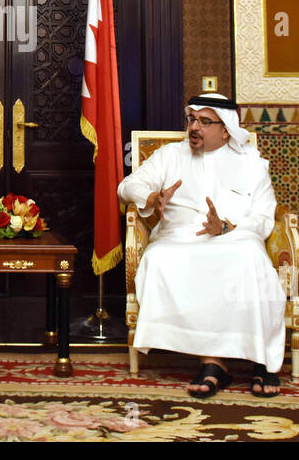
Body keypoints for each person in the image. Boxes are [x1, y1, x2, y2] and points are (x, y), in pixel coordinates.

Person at [117, 93, 285, 398]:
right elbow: (127, 186)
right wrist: (153, 198)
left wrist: (226, 227)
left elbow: (264, 215)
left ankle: (262, 361)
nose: (195, 127)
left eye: (205, 121)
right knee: (158, 259)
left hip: (235, 239)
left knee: (250, 258)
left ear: (226, 129)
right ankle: (212, 362)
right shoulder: (170, 155)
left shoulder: (251, 163)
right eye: (191, 119)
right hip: (178, 238)